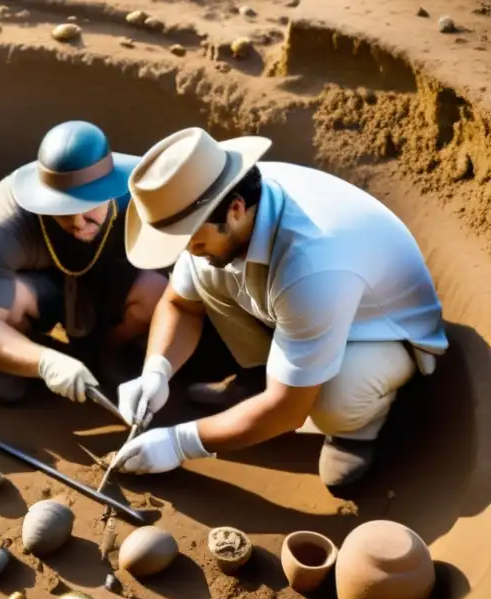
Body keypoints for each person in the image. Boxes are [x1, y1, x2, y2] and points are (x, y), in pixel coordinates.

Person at [113, 127, 449, 489]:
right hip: (306, 305)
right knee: (208, 275)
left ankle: (356, 429)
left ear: (236, 210)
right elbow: (180, 304)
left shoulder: (312, 263)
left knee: (333, 401)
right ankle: (259, 378)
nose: (187, 252)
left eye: (191, 242)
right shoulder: (218, 206)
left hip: (377, 331)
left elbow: (288, 410)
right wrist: (156, 371)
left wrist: (181, 444)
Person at [0, 120, 168, 404]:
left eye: (87, 207)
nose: (77, 222)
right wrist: (45, 361)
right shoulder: (4, 225)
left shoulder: (139, 200)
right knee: (7, 301)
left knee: (158, 292)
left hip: (105, 281)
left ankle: (106, 352)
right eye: (63, 210)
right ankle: (20, 356)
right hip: (41, 291)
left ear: (110, 189)